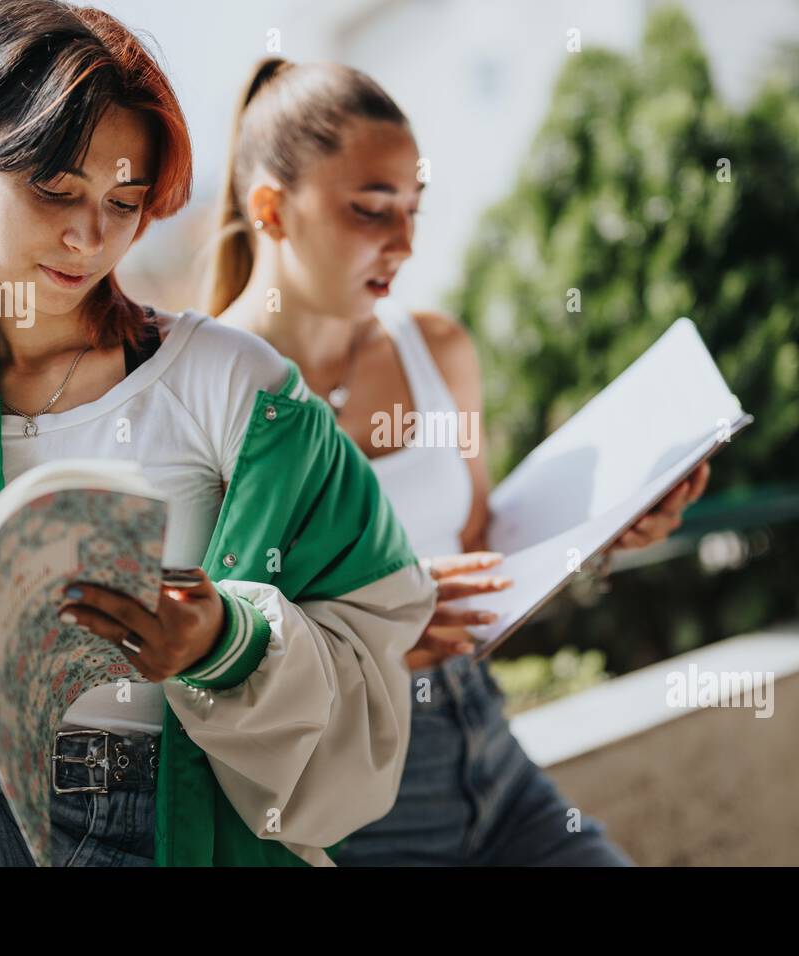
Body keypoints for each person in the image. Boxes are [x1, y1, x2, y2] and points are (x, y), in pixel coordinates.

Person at [0, 1, 434, 867]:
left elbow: (372, 636)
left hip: (169, 813)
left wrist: (223, 642)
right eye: (55, 191)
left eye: (125, 203)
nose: (90, 237)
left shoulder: (240, 390)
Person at [207, 58, 710, 866]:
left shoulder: (436, 350)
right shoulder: (204, 391)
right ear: (272, 208)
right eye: (373, 211)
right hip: (353, 810)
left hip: (492, 754)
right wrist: (383, 625)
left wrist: (606, 526)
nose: (403, 243)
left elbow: (482, 547)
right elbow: (205, 659)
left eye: (414, 210)